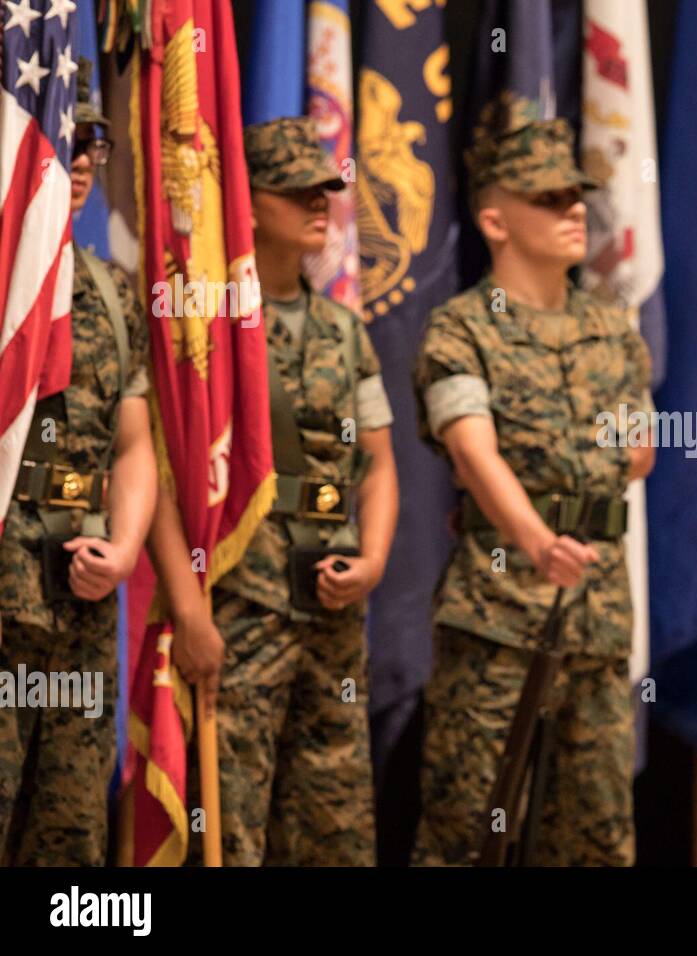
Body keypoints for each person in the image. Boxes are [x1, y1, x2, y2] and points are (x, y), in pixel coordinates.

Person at [148, 116, 398, 866]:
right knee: (230, 830)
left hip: (329, 613)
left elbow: (380, 465)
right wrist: (189, 612)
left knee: (336, 832)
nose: (321, 204)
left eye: (325, 188)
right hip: (239, 612)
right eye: (297, 190)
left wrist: (376, 561)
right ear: (248, 204)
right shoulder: (205, 324)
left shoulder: (342, 329)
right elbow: (161, 474)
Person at [410, 115, 654, 866]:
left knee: (597, 837)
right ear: (495, 220)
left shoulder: (614, 329)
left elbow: (641, 449)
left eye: (576, 195)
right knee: (468, 828)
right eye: (548, 198)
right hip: (500, 610)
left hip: (599, 607)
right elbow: (473, 451)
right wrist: (534, 538)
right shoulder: (460, 329)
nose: (574, 210)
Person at [0, 60, 157, 866]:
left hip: (81, 605)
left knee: (68, 839)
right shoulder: (2, 278)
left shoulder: (110, 290)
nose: (87, 156)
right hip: (2, 599)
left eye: (96, 139)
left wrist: (126, 550)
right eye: (71, 135)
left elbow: (135, 445)